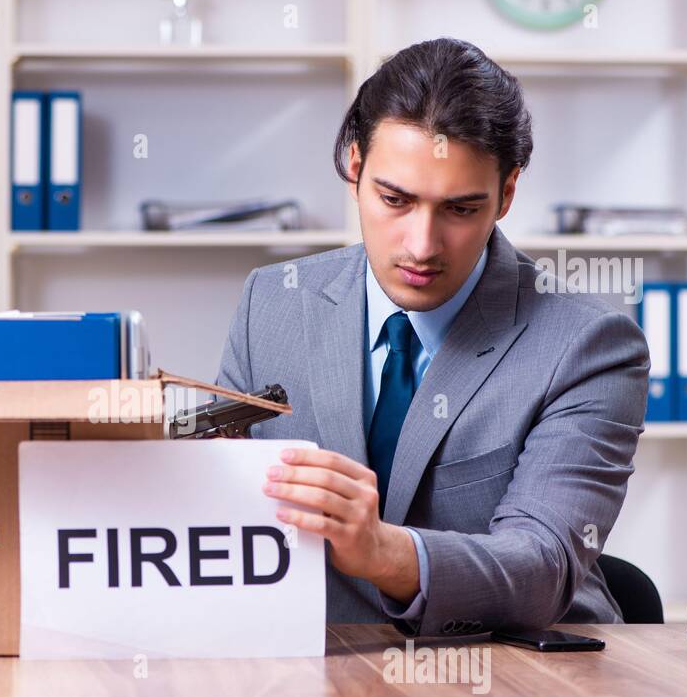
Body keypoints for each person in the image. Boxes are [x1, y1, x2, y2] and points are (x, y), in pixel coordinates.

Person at [215, 37, 650, 636]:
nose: (421, 246)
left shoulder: (588, 345)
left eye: (461, 209)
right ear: (354, 169)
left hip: (520, 675)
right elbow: (219, 512)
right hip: (317, 670)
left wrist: (384, 551)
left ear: (507, 193)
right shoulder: (272, 303)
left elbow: (542, 564)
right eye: (394, 199)